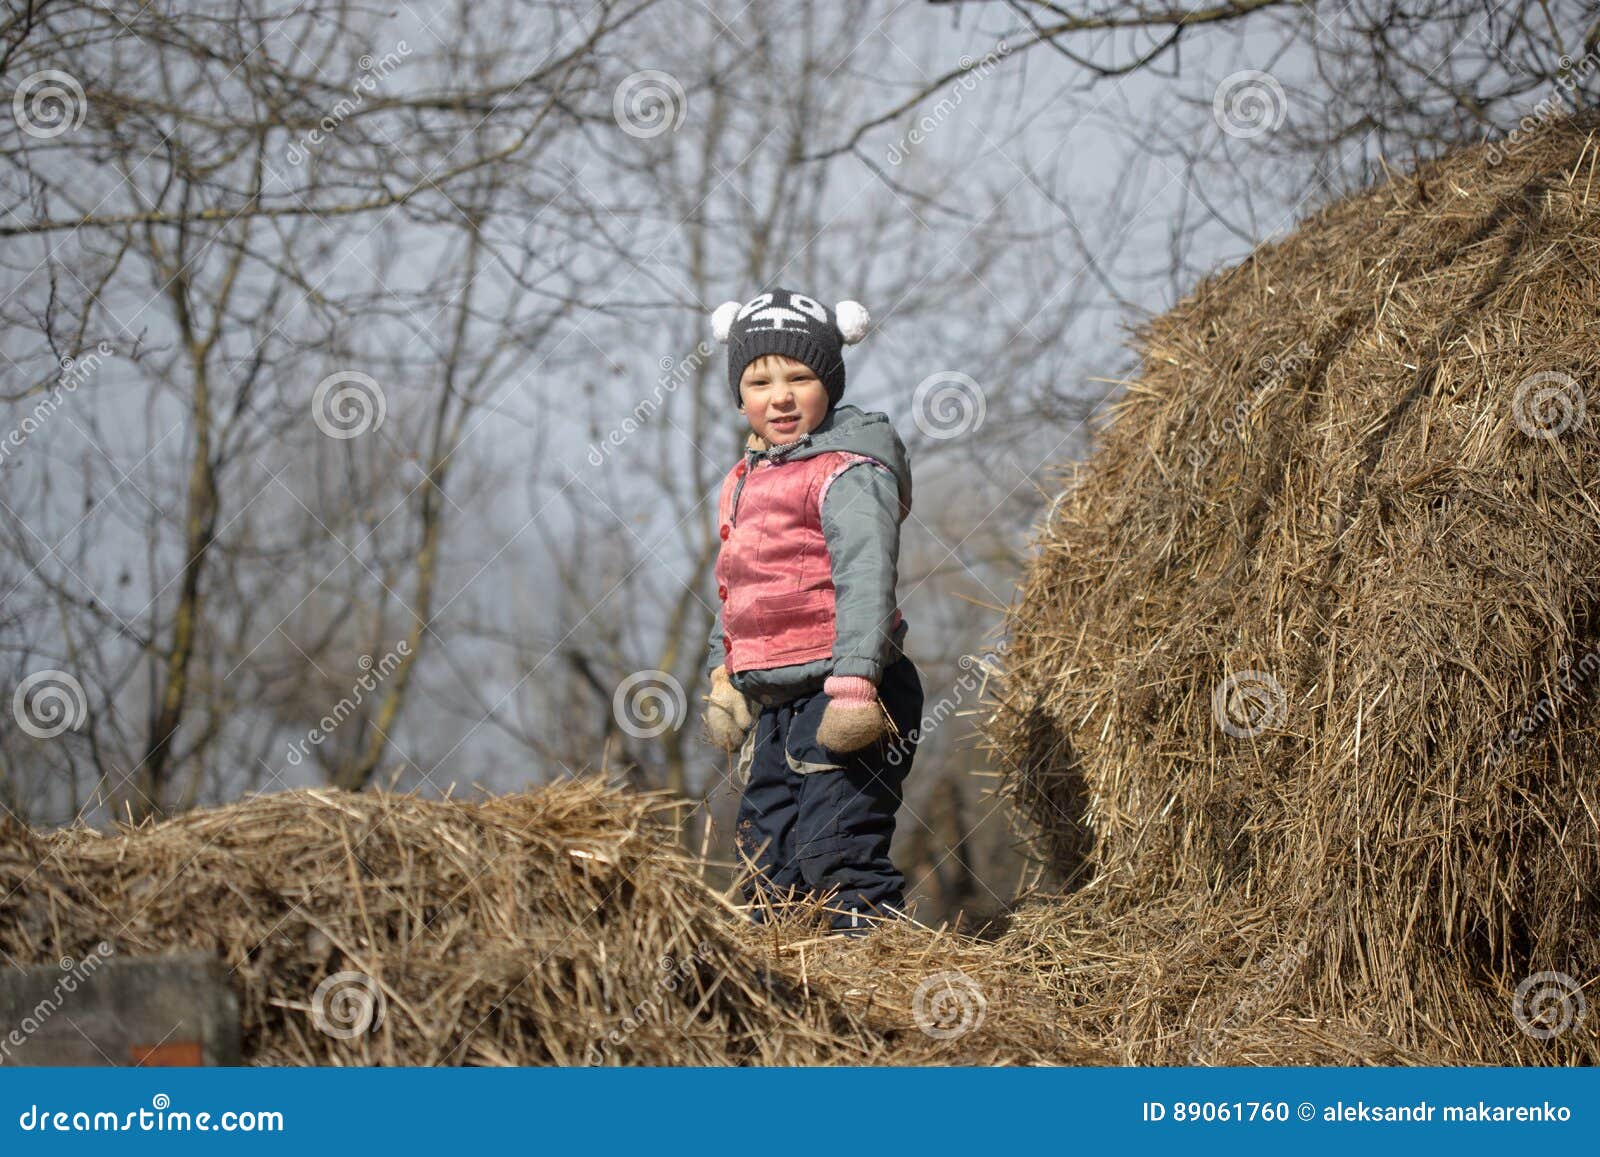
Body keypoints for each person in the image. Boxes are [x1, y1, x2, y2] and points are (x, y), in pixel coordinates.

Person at [698, 287, 924, 937]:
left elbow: (866, 578)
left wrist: (855, 682)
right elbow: (737, 588)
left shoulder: (851, 467)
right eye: (760, 379)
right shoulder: (745, 479)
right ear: (741, 396)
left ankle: (872, 979)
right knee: (768, 866)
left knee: (838, 855)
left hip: (847, 688)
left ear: (829, 381)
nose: (782, 394)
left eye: (800, 376)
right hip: (777, 699)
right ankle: (793, 1004)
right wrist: (724, 675)